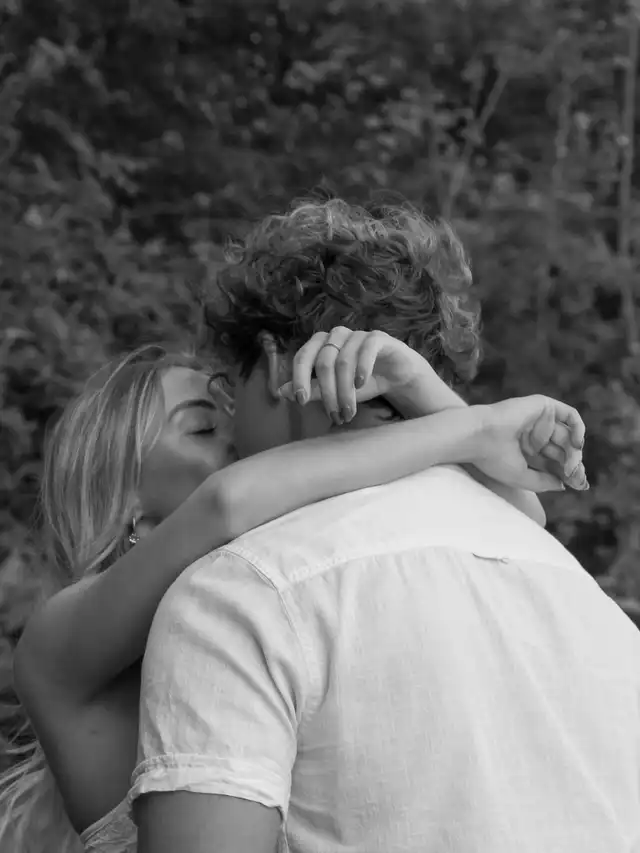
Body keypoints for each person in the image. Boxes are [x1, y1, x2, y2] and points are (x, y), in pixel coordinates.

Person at [129, 199, 640, 853]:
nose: (228, 428)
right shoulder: (587, 601)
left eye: (227, 390)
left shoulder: (240, 593)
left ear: (277, 366)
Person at [2, 329, 583, 853]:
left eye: (233, 413)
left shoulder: (264, 604)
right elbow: (226, 502)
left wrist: (417, 384)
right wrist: (477, 428)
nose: (236, 437)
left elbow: (519, 524)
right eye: (203, 428)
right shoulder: (54, 650)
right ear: (130, 504)